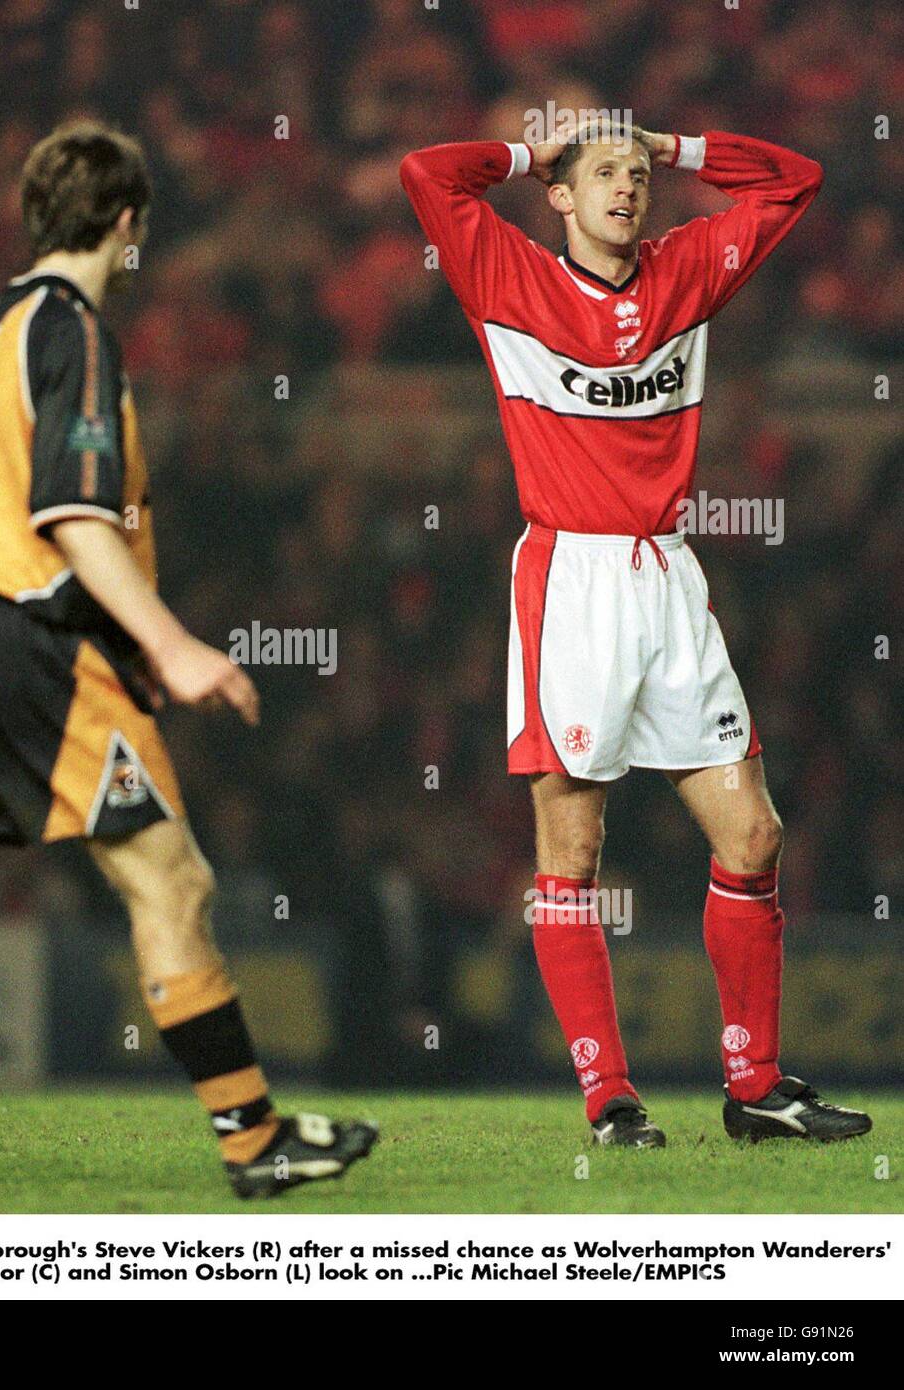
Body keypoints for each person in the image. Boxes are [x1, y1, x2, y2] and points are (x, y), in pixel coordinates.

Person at [0, 120, 377, 1200]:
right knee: (171, 876)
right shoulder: (72, 330)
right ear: (128, 226)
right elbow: (69, 514)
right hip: (32, 643)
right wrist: (172, 644)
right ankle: (255, 1141)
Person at [401, 120, 871, 1146]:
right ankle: (610, 1099)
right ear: (563, 200)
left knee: (754, 834)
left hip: (667, 573)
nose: (626, 187)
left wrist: (676, 143)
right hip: (572, 577)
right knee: (572, 850)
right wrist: (538, 148)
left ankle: (755, 1089)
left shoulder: (687, 271)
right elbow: (427, 173)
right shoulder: (506, 276)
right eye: (602, 174)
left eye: (636, 175)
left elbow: (799, 179)